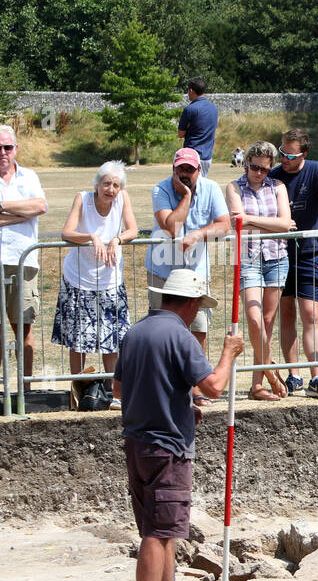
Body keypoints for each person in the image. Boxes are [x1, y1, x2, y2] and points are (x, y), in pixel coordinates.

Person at [115, 269, 243, 581]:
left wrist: (182, 405)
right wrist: (228, 353)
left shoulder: (135, 332)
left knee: (163, 529)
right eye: (198, 307)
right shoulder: (181, 337)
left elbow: (121, 388)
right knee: (157, 534)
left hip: (138, 443)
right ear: (190, 303)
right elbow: (215, 387)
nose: (196, 314)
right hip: (167, 449)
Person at [55, 161, 138, 409]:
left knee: (110, 338)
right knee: (77, 340)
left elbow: (133, 229)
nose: (110, 189)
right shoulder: (82, 199)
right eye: (106, 183)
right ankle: (77, 390)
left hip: (110, 280)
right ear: (97, 184)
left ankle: (114, 394)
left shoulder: (123, 198)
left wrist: (117, 239)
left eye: (115, 184)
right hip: (79, 279)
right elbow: (66, 233)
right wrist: (92, 237)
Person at [272, 128, 318, 399]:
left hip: (308, 255)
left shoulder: (316, 169)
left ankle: (317, 376)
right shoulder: (274, 174)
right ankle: (294, 375)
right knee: (287, 315)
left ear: (304, 153)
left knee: (310, 315)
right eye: (282, 152)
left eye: (290, 155)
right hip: (279, 254)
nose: (285, 159)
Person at [148, 147, 231, 378]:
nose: (185, 174)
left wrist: (197, 234)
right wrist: (186, 196)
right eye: (180, 169)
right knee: (162, 332)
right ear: (173, 170)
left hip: (195, 273)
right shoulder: (160, 189)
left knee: (198, 329)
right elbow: (172, 227)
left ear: (199, 170)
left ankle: (196, 386)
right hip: (163, 273)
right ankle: (164, 381)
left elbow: (224, 225)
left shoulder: (211, 188)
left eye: (190, 170)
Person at [226, 142, 293, 402]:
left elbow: (285, 225)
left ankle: (257, 385)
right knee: (254, 320)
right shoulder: (234, 187)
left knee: (266, 323)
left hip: (277, 257)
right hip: (248, 258)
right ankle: (271, 375)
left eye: (265, 169)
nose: (259, 173)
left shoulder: (278, 187)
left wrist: (252, 220)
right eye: (255, 167)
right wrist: (269, 225)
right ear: (246, 164)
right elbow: (236, 222)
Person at [0, 124, 48, 380]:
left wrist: (2, 207)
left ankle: (25, 389)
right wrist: (21, 214)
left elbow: (40, 206)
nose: (3, 152)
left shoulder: (29, 177)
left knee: (23, 328)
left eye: (7, 147)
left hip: (23, 262)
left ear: (16, 149)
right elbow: (30, 210)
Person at [177, 78, 218, 178]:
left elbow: (180, 134)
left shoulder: (189, 109)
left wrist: (188, 127)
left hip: (191, 156)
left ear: (191, 90)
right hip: (207, 156)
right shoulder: (213, 108)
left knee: (189, 187)